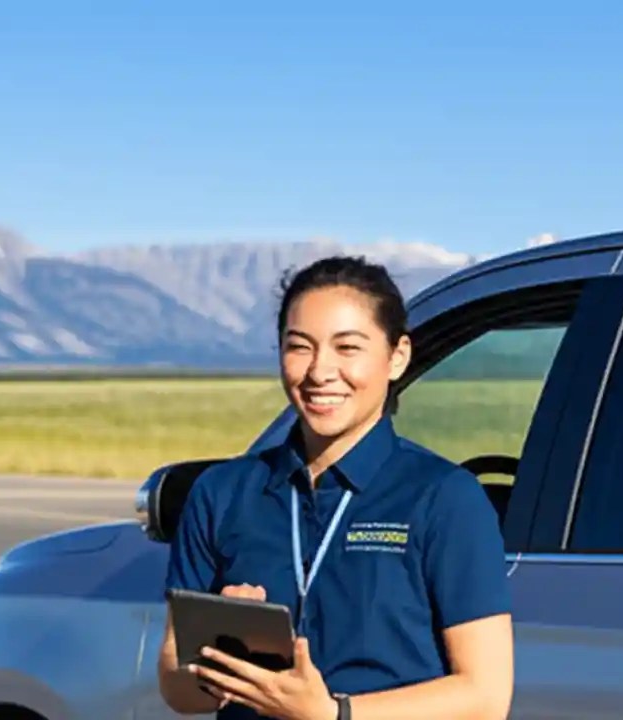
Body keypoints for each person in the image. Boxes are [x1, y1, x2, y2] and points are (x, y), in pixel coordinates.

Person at [156, 255, 514, 720]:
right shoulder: (222, 493)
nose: (320, 371)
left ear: (397, 357)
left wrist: (333, 714)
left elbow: (485, 696)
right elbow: (176, 689)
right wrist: (216, 655)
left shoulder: (445, 498)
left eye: (347, 348)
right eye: (299, 347)